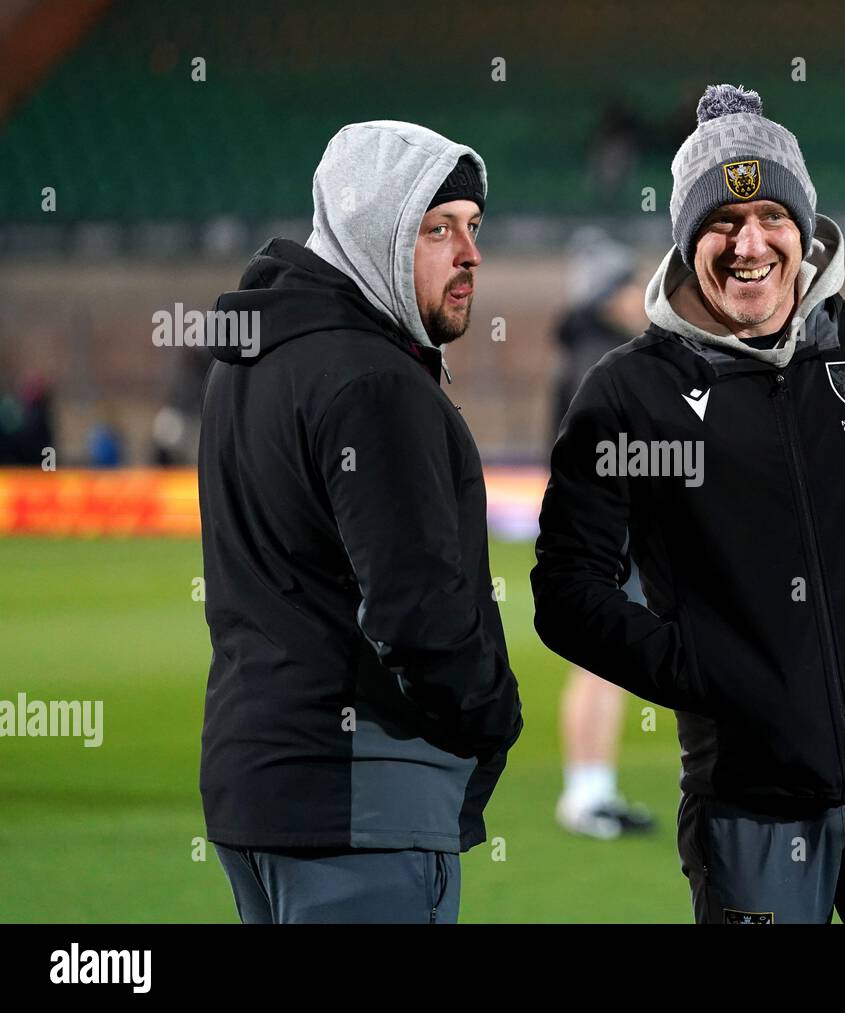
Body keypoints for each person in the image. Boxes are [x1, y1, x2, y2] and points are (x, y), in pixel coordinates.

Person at [532, 85, 845, 923]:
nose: (748, 243)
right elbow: (567, 590)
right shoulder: (629, 393)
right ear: (685, 243)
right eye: (720, 222)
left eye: (770, 216)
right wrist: (704, 674)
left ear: (806, 229)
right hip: (749, 804)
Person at [199, 121, 523, 924]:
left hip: (261, 792)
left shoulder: (254, 361)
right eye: (437, 228)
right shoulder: (374, 382)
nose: (469, 254)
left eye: (473, 228)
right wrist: (493, 714)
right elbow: (418, 613)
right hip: (363, 805)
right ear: (373, 229)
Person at [551, 229, 656, 839]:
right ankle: (586, 793)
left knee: (605, 663)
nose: (638, 296)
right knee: (600, 664)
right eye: (627, 285)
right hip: (607, 534)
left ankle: (592, 789)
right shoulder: (603, 361)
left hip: (595, 530)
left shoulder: (587, 352)